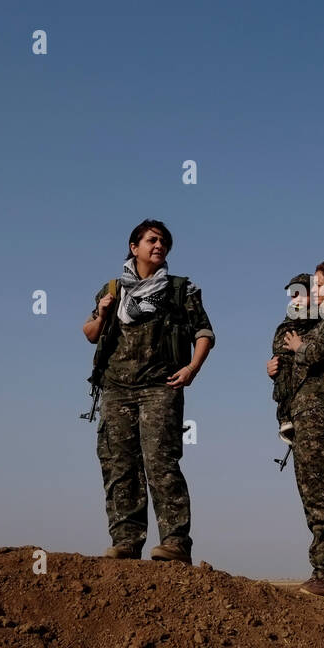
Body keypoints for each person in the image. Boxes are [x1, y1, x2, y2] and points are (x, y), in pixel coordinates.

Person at [82, 219, 214, 564]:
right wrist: (103, 312)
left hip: (160, 387)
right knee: (119, 465)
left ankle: (174, 543)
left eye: (164, 242)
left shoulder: (180, 290)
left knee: (161, 463)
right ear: (134, 246)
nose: (159, 246)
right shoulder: (112, 289)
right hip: (116, 389)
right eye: (152, 240)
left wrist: (191, 369)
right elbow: (90, 333)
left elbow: (204, 333)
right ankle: (125, 541)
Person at [267, 261, 324, 596]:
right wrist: (276, 366)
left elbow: (316, 351)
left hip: (323, 411)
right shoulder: (316, 320)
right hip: (305, 412)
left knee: (321, 491)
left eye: (320, 285)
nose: (314, 291)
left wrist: (298, 349)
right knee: (311, 489)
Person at [270, 273, 317, 443]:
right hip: (296, 397)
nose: (294, 298)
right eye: (293, 294)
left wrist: (298, 347)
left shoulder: (323, 318)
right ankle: (284, 419)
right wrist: (273, 367)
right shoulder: (294, 317)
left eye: (299, 293)